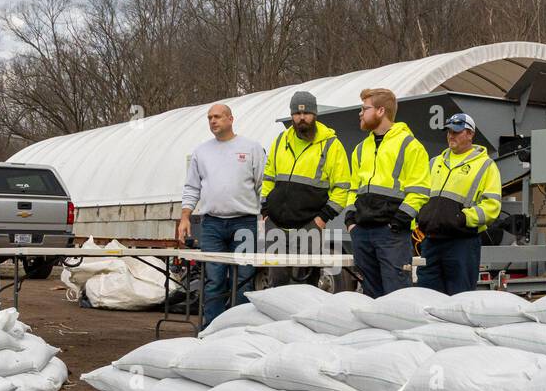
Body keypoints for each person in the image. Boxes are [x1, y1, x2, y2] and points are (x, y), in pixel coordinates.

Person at [178, 104, 266, 328]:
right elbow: (192, 187)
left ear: (230, 119)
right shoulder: (201, 152)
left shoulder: (252, 148)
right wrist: (185, 217)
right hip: (212, 224)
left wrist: (264, 213)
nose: (212, 121)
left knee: (244, 278)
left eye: (217, 117)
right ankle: (212, 329)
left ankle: (238, 328)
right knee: (214, 278)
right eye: (209, 118)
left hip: (245, 222)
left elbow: (262, 185)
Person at [343, 88, 430, 296]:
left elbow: (420, 190)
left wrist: (398, 222)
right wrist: (350, 221)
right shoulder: (360, 149)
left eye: (365, 108)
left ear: (381, 111)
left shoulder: (410, 146)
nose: (360, 113)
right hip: (362, 233)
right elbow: (353, 188)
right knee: (371, 294)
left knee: (397, 294)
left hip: (391, 235)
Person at [259, 90, 351, 287]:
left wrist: (322, 219)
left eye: (306, 113)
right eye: (297, 113)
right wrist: (265, 210)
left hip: (310, 226)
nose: (302, 118)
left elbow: (342, 187)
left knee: (306, 283)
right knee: (278, 283)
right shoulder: (280, 141)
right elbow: (268, 177)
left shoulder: (331, 145)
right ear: (292, 115)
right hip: (276, 226)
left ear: (315, 115)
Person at [415, 113, 502, 295]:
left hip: (462, 243)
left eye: (456, 131)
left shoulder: (486, 166)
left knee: (460, 297)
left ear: (470, 134)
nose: (451, 135)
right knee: (426, 295)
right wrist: (418, 221)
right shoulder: (435, 163)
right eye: (448, 131)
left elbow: (492, 206)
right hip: (431, 242)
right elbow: (420, 195)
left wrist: (462, 218)